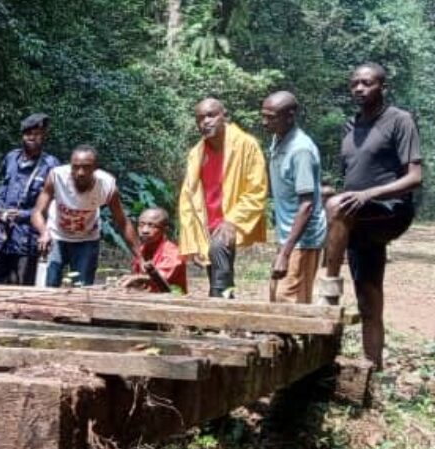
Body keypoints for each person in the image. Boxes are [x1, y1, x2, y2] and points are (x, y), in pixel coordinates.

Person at [320, 63, 422, 368]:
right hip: (358, 219)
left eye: (367, 83)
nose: (359, 89)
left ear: (383, 87)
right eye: (354, 84)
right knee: (368, 295)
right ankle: (372, 364)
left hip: (391, 211)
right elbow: (354, 177)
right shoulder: (350, 127)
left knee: (336, 206)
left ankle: (328, 289)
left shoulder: (399, 120)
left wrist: (368, 195)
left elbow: (415, 177)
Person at [177, 97, 267, 297]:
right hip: (206, 219)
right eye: (200, 118)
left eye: (211, 115)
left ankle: (219, 304)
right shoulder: (196, 153)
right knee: (214, 263)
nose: (205, 122)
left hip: (231, 218)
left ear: (224, 116)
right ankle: (225, 304)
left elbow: (257, 189)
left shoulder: (246, 145)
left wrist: (232, 221)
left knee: (219, 250)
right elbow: (188, 198)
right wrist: (192, 239)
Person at [31, 146, 140, 287]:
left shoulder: (106, 185)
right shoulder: (57, 177)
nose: (80, 172)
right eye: (75, 167)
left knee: (82, 288)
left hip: (87, 239)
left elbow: (122, 222)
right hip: (57, 236)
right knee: (50, 285)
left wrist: (140, 256)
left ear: (95, 168)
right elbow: (37, 212)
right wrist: (44, 232)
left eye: (86, 167)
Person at [260, 91, 327, 304]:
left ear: (290, 116)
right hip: (287, 235)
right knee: (277, 297)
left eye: (272, 117)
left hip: (303, 239)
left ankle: (304, 338)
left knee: (288, 301)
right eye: (264, 116)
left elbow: (307, 204)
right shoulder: (277, 139)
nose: (265, 122)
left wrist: (285, 254)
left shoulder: (301, 151)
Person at [0, 112, 59, 285]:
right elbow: (2, 187)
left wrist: (22, 215)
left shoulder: (50, 165)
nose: (32, 137)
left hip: (27, 237)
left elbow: (52, 205)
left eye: (37, 134)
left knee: (22, 285)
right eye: (28, 133)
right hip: (2, 234)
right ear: (22, 135)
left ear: (44, 136)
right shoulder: (11, 158)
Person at [118, 207, 188, 293]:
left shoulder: (173, 253)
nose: (145, 230)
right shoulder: (141, 250)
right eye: (141, 225)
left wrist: (136, 278)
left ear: (164, 229)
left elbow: (162, 278)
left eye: (152, 226)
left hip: (172, 300)